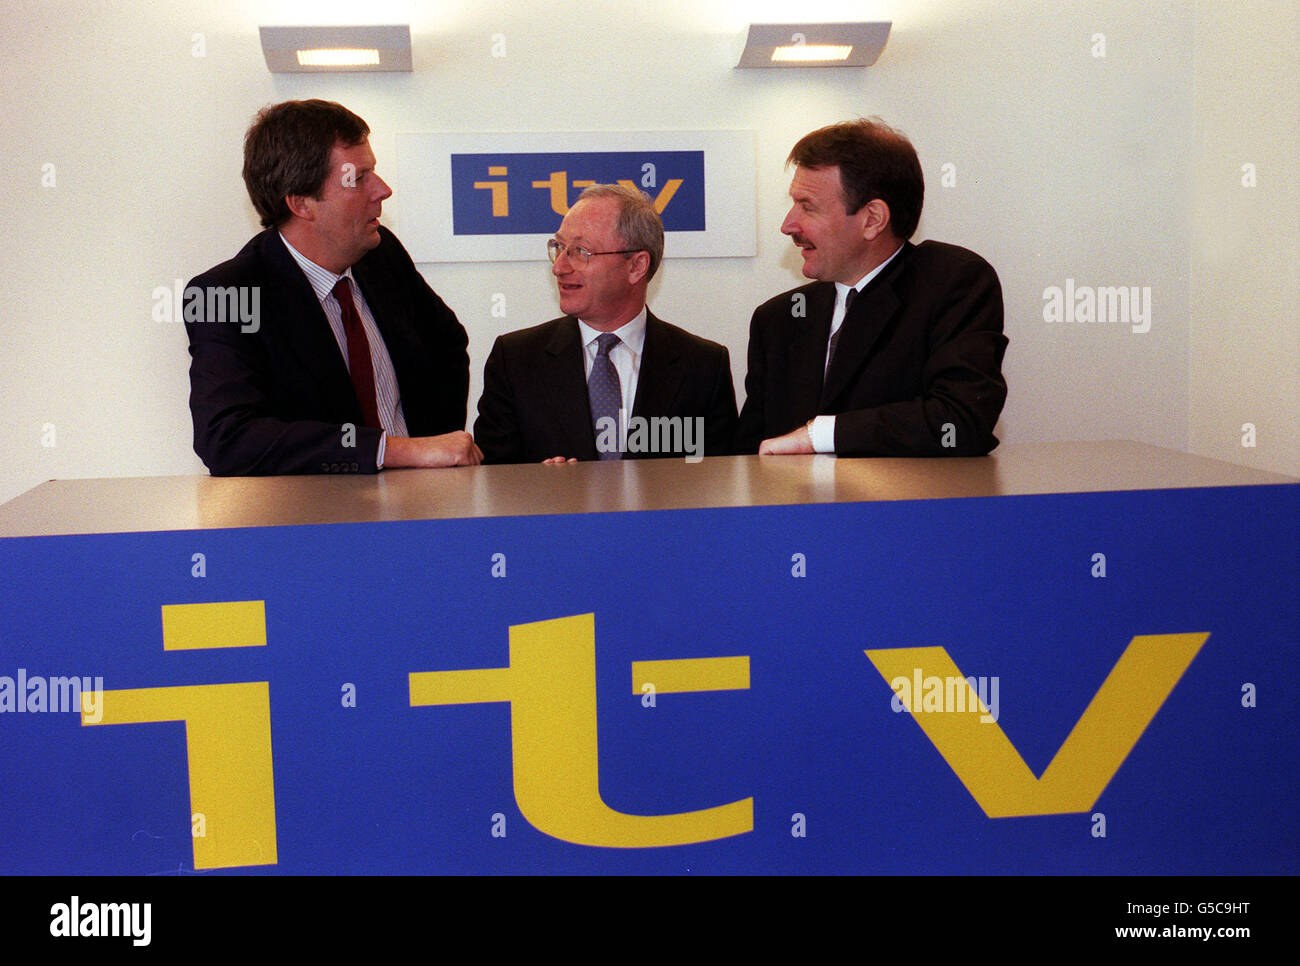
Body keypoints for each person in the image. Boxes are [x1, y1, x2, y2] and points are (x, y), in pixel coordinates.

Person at [185, 99, 481, 475]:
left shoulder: (381, 253)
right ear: (301, 203)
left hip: (419, 508)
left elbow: (448, 345)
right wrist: (394, 452)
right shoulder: (222, 295)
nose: (383, 190)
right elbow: (228, 439)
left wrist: (433, 453)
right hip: (315, 523)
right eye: (358, 178)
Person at [734, 118, 1007, 457]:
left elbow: (960, 421)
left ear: (873, 219)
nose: (788, 225)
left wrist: (819, 434)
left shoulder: (953, 285)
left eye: (807, 206)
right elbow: (751, 453)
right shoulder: (777, 320)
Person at [474, 184, 737, 464]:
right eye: (559, 247)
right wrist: (539, 487)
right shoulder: (515, 361)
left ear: (636, 266)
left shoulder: (703, 367)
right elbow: (492, 482)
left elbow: (718, 484)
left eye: (581, 251)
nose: (559, 267)